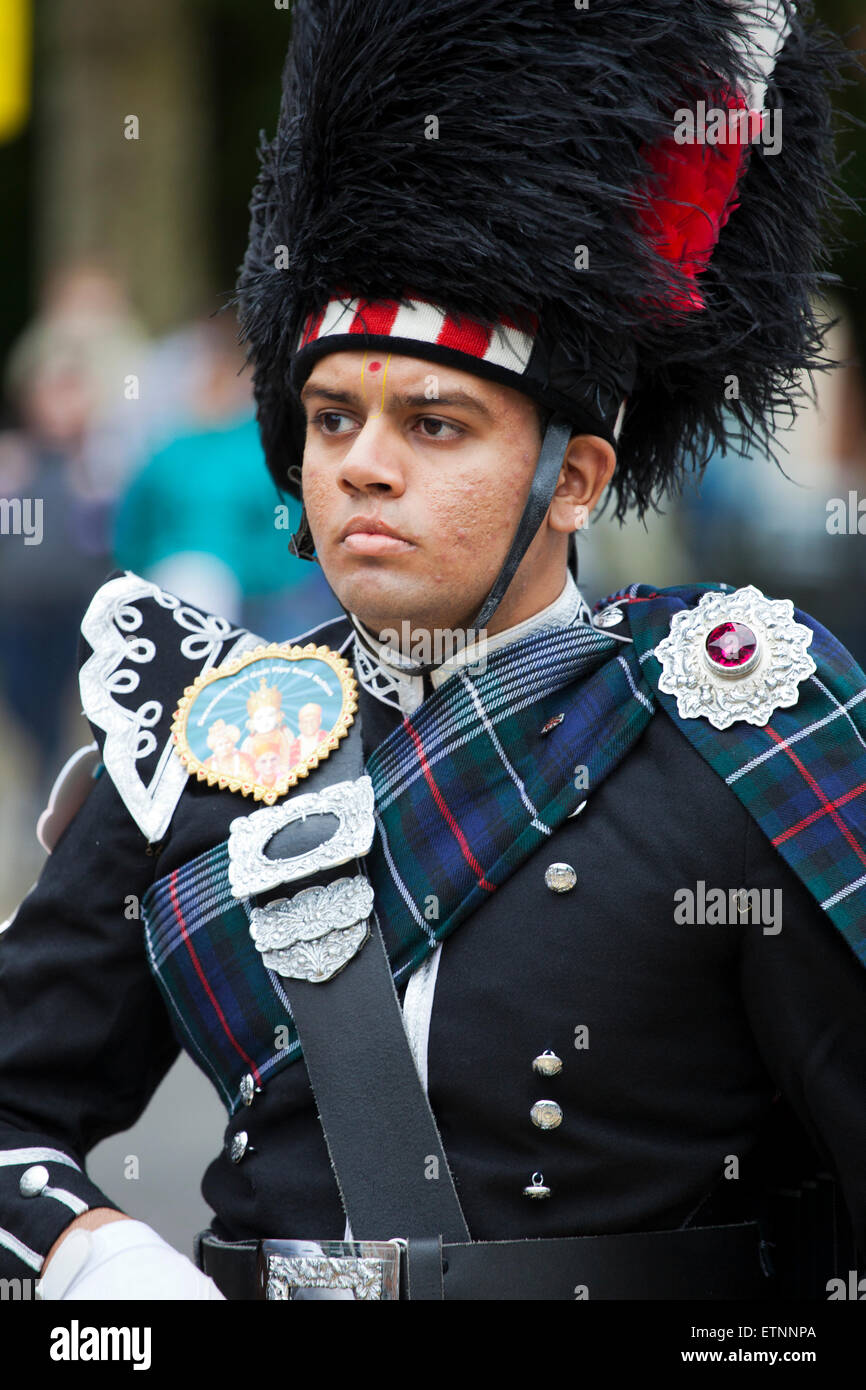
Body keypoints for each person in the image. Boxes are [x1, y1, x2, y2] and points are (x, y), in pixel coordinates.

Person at [1, 0, 864, 1303]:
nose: (362, 463)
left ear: (573, 478)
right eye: (332, 415)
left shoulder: (737, 730)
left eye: (436, 423)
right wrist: (96, 1255)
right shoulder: (199, 740)